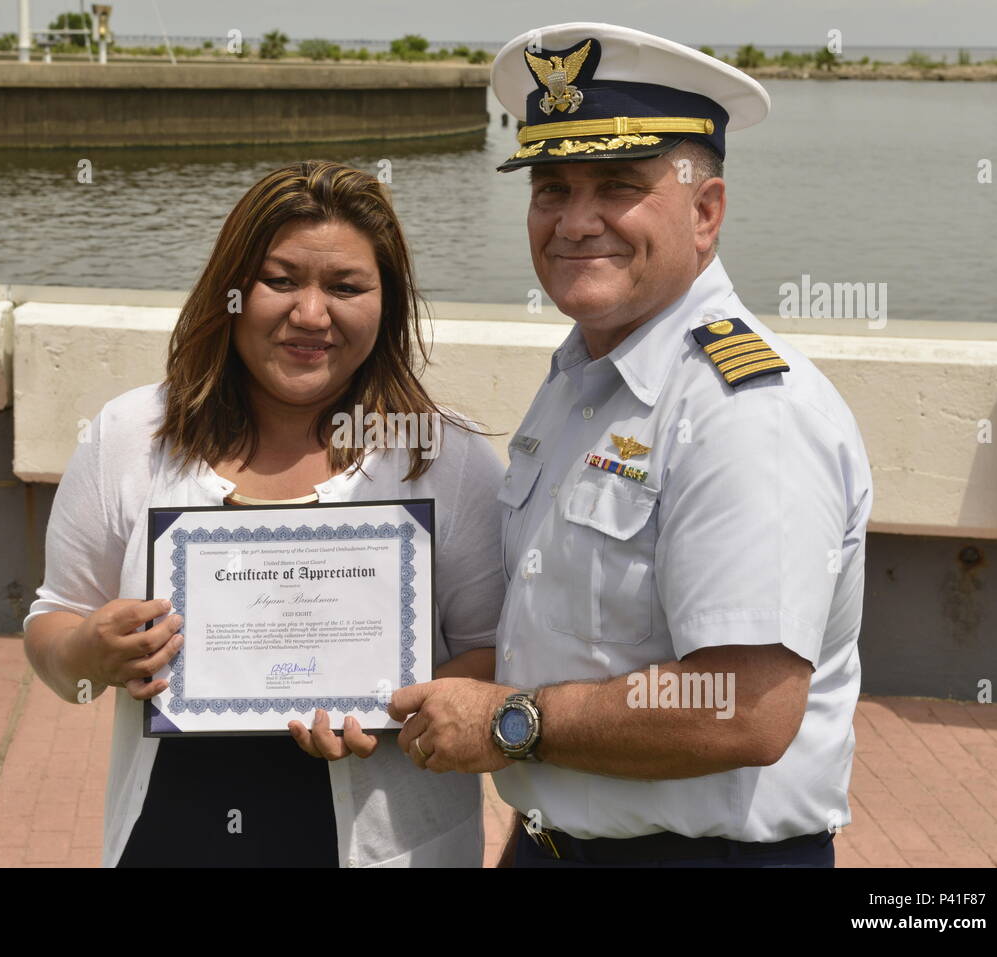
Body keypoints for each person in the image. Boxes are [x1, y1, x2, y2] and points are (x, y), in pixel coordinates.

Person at [388, 21, 874, 868]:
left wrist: (512, 722)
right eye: (551, 188)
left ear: (706, 210)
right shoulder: (583, 378)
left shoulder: (743, 413)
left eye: (617, 185)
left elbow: (746, 707)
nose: (577, 222)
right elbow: (562, 638)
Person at [23, 160, 506, 867]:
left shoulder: (445, 458)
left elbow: (498, 651)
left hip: (390, 843)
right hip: (168, 834)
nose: (311, 315)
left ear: (388, 303)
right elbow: (55, 624)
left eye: (346, 287)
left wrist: (397, 703)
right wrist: (87, 652)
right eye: (281, 280)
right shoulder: (127, 436)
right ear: (232, 290)